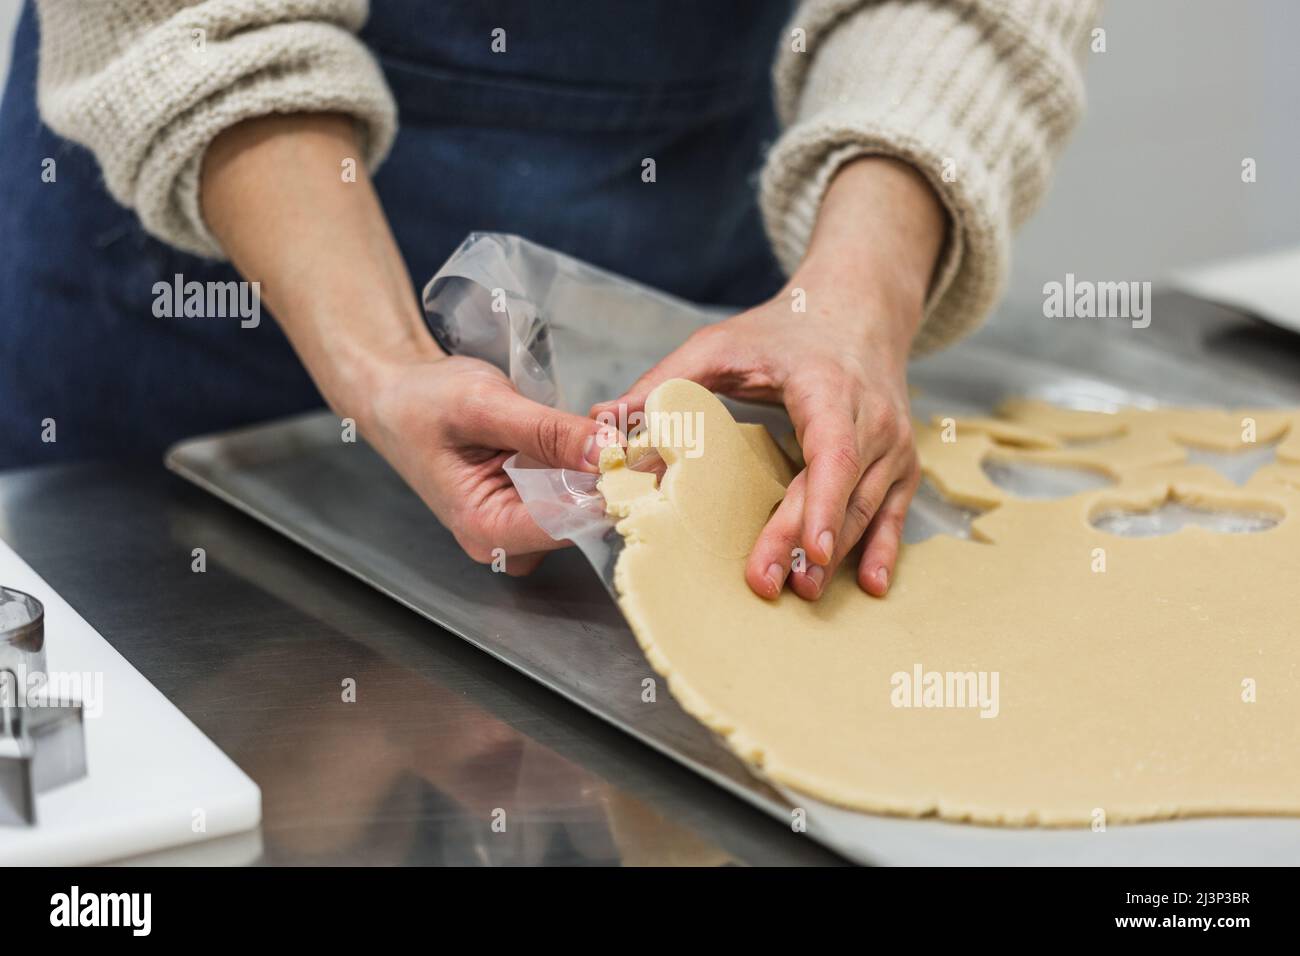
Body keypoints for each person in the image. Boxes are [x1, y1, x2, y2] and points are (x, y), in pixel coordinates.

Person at [0, 0, 1098, 601]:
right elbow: (185, 20)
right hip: (196, 312)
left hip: (685, 252)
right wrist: (384, 363)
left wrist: (852, 301)